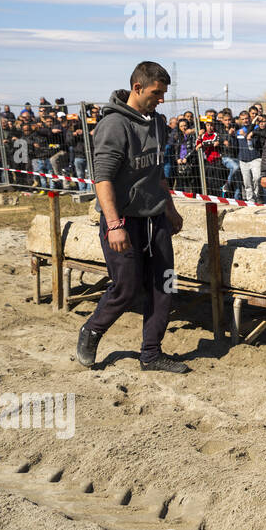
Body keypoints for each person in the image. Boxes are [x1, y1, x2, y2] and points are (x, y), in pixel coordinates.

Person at [75, 62, 188, 374]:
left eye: (164, 93)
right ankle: (92, 330)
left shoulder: (157, 123)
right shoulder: (114, 125)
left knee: (164, 284)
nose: (161, 98)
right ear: (138, 87)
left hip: (155, 219)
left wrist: (170, 208)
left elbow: (156, 171)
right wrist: (114, 224)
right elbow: (103, 179)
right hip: (123, 220)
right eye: (157, 92)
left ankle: (151, 353)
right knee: (126, 287)